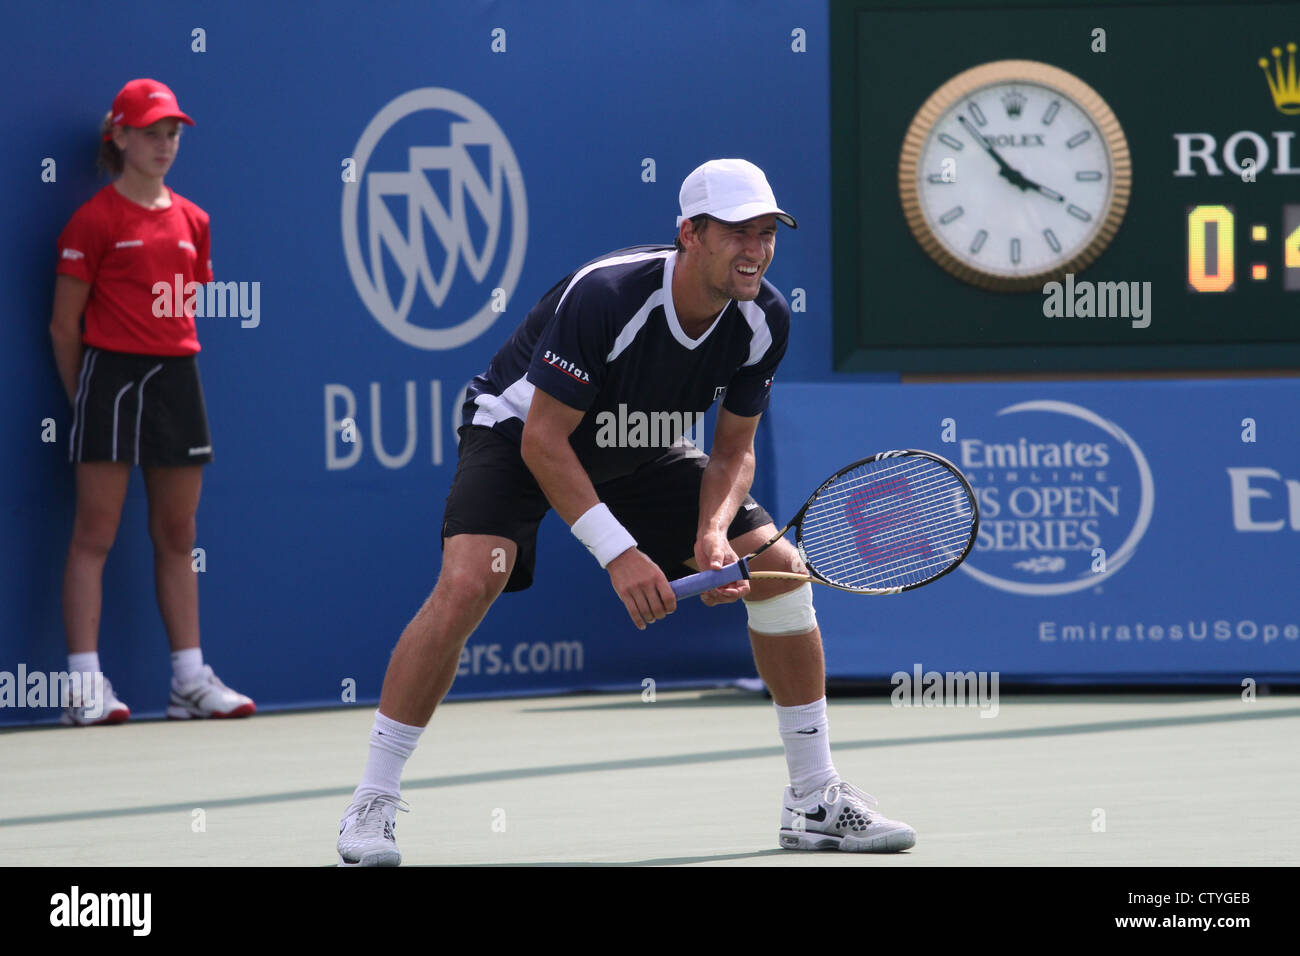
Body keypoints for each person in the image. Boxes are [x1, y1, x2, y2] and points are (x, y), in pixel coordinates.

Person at [336, 158, 915, 864]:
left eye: (767, 232)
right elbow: (546, 443)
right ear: (690, 234)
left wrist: (708, 533)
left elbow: (734, 449)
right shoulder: (606, 296)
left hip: (641, 449)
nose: (756, 249)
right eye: (737, 232)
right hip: (519, 435)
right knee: (467, 584)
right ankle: (373, 799)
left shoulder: (764, 317)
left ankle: (814, 795)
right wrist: (619, 552)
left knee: (780, 571)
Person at [50, 78, 255, 725]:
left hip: (176, 379)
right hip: (108, 380)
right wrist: (85, 397)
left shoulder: (195, 219)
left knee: (177, 533)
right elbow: (64, 326)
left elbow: (183, 306)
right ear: (120, 137)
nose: (165, 143)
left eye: (172, 132)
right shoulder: (94, 219)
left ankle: (189, 680)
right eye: (151, 132)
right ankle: (85, 684)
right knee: (95, 533)